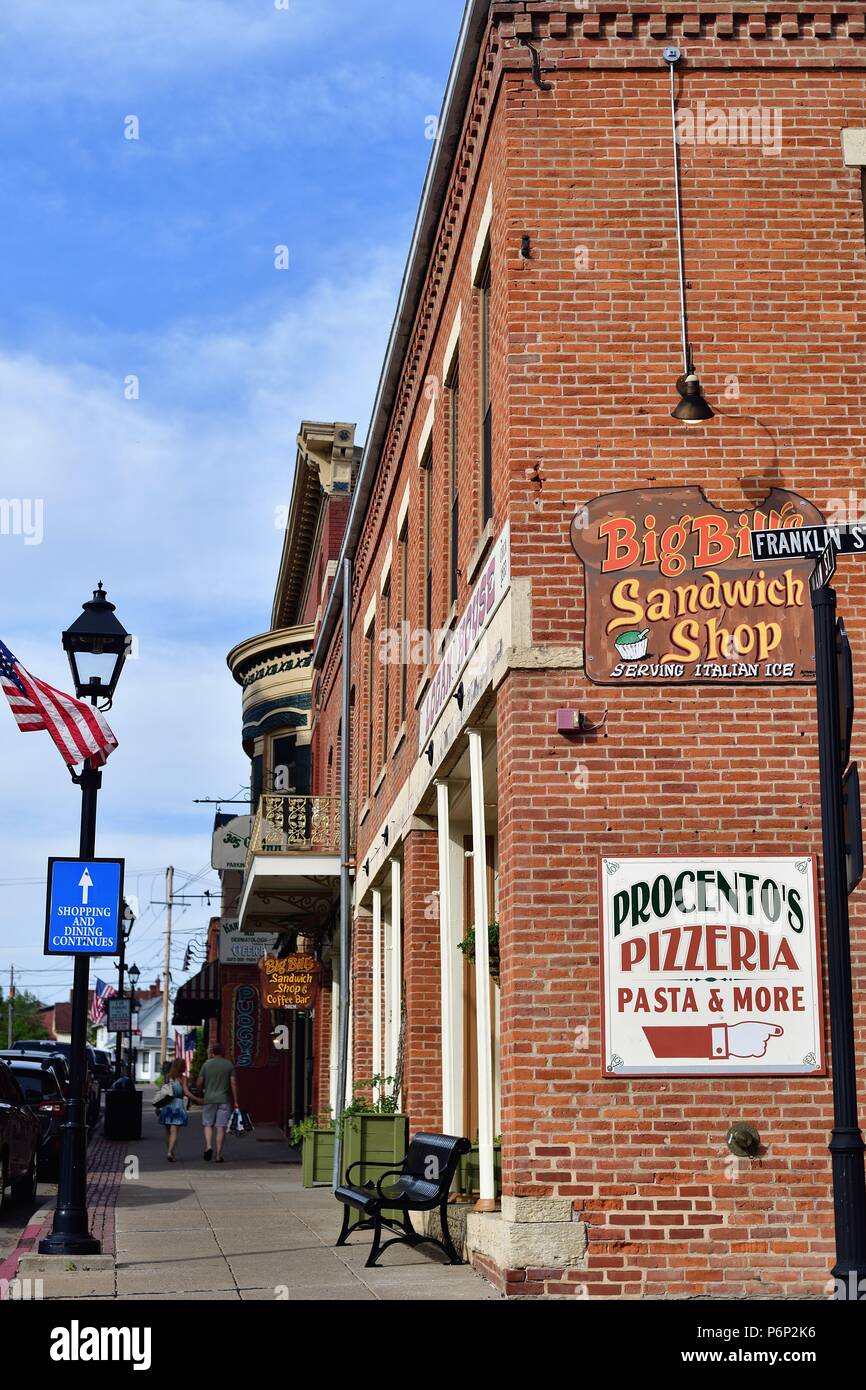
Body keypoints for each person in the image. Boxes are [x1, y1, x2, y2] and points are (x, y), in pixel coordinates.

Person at [195, 1042, 239, 1164]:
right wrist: (236, 1101)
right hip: (224, 1099)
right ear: (223, 1052)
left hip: (209, 1099)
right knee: (221, 1127)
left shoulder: (206, 1065)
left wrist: (200, 1094)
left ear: (213, 1053)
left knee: (208, 1124)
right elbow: (233, 1083)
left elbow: (199, 1083)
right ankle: (218, 1156)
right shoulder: (229, 1065)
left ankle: (209, 1146)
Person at [158, 1058, 198, 1162]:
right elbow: (187, 1092)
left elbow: (161, 1092)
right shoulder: (183, 1078)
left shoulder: (167, 1077)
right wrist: (197, 1099)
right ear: (182, 1067)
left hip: (166, 1105)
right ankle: (170, 1152)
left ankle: (170, 1152)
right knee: (174, 1130)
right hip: (177, 1106)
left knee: (168, 1132)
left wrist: (158, 1106)